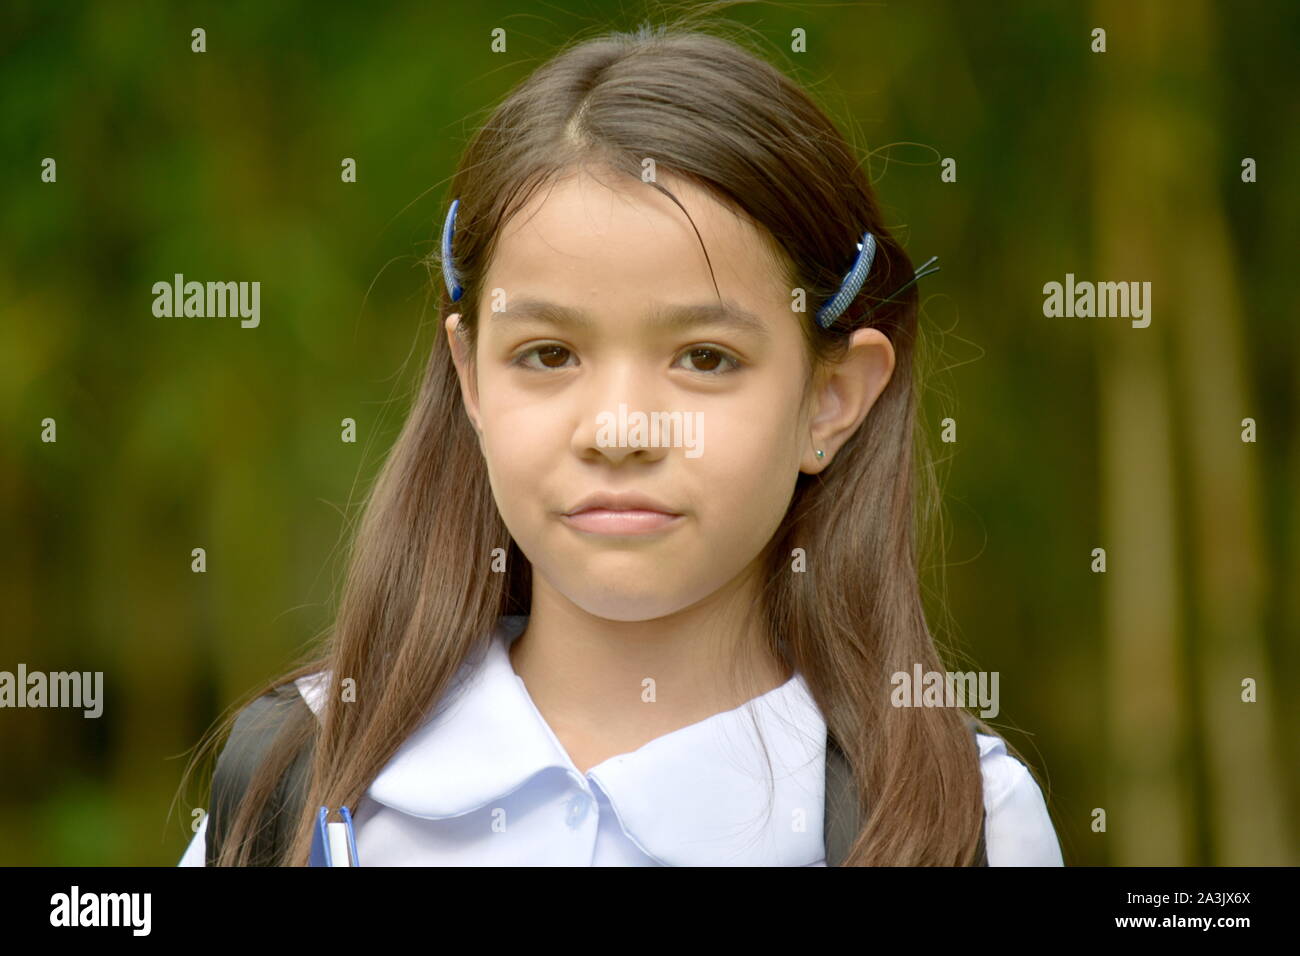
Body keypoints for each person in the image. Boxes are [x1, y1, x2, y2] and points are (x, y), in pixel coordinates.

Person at [177, 19, 1063, 867]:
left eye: (705, 359)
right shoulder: (297, 783)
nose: (621, 431)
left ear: (829, 400)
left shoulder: (956, 819)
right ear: (472, 377)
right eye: (549, 354)